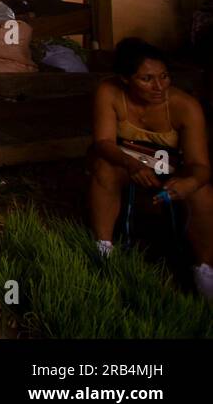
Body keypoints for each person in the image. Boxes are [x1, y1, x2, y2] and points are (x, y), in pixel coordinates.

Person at [88, 37, 213, 299]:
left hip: (171, 170)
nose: (159, 87)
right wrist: (130, 163)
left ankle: (204, 270)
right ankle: (104, 249)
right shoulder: (109, 92)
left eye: (164, 76)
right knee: (104, 168)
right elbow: (102, 143)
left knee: (203, 193)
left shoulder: (185, 107)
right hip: (126, 163)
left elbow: (200, 166)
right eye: (146, 79)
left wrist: (188, 183)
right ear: (125, 78)